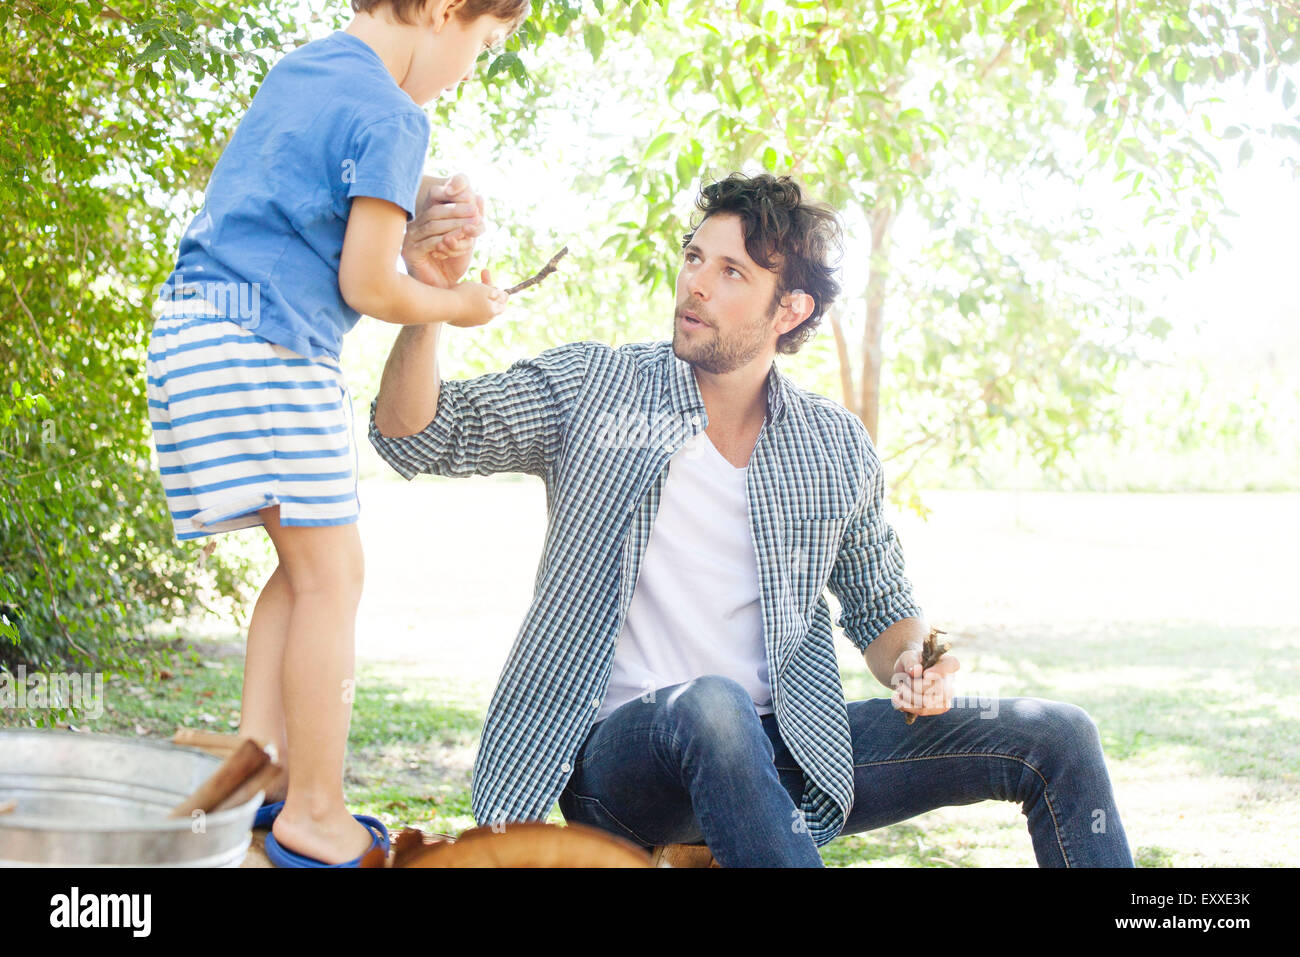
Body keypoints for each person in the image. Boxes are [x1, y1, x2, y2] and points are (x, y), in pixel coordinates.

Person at [368, 171, 1135, 867]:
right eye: (694, 257)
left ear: (790, 308)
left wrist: (911, 661)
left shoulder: (832, 445)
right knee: (714, 702)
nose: (694, 283)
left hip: (791, 743)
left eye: (729, 270)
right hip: (622, 759)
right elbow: (416, 433)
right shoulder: (598, 388)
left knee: (1058, 736)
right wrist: (428, 303)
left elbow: (882, 609)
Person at [144, 0, 525, 867]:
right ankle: (316, 811)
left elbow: (311, 179)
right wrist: (458, 306)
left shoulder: (307, 69)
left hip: (199, 332)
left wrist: (421, 192)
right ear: (439, 11)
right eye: (484, 43)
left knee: (305, 563)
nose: (471, 67)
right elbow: (367, 281)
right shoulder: (396, 115)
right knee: (334, 573)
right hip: (267, 348)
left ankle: (262, 763)